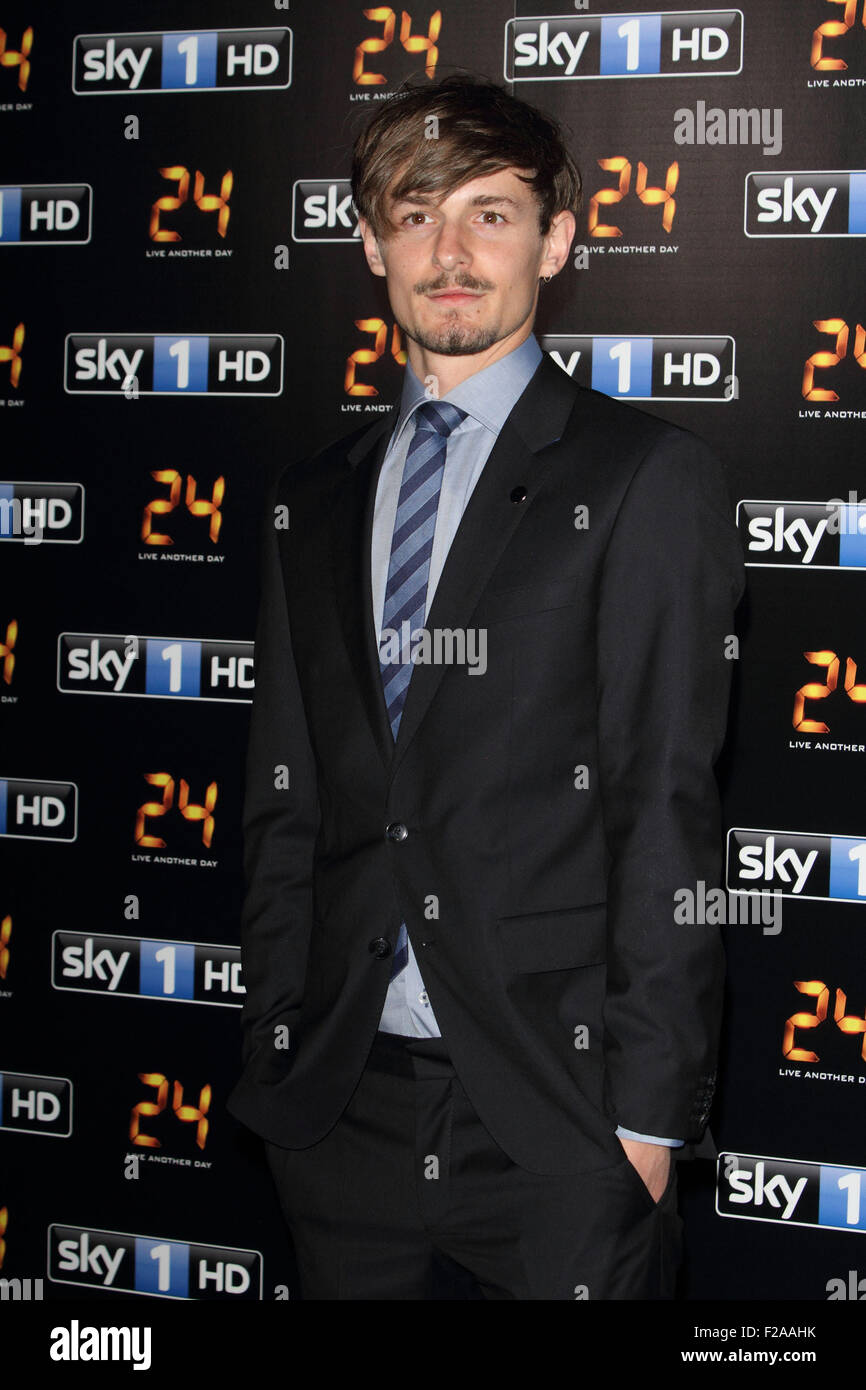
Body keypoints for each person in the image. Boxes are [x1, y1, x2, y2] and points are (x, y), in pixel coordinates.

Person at [227, 74, 744, 1300]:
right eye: (413, 215)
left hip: (558, 1124)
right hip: (340, 1110)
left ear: (556, 240)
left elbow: (665, 810)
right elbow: (285, 803)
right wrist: (274, 1034)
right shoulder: (315, 496)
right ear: (369, 243)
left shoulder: (642, 479)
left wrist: (647, 1127)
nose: (448, 252)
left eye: (491, 214)